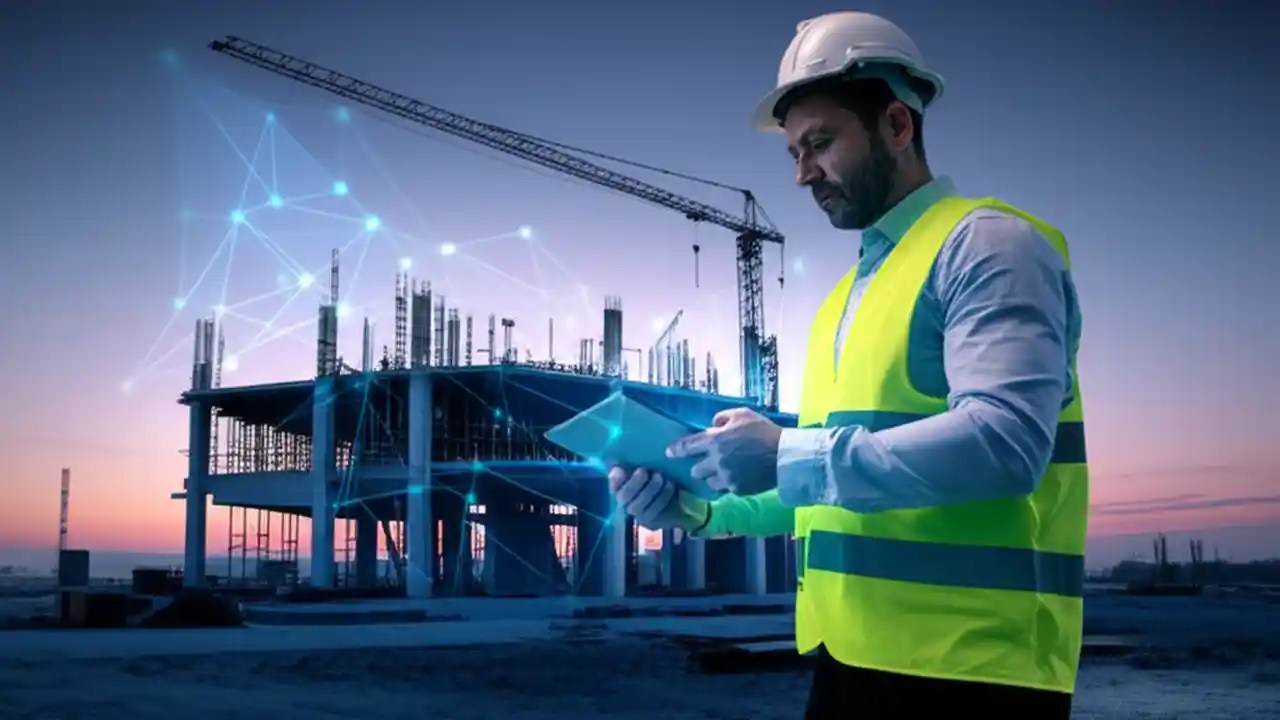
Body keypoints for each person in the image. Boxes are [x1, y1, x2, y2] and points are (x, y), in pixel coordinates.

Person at [607, 10, 1088, 719]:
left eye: (821, 143)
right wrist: (702, 509)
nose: (803, 174)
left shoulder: (989, 247)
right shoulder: (845, 298)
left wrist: (787, 453)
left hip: (976, 669)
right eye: (795, 152)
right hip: (852, 660)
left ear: (897, 125)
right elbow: (823, 486)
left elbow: (1005, 444)